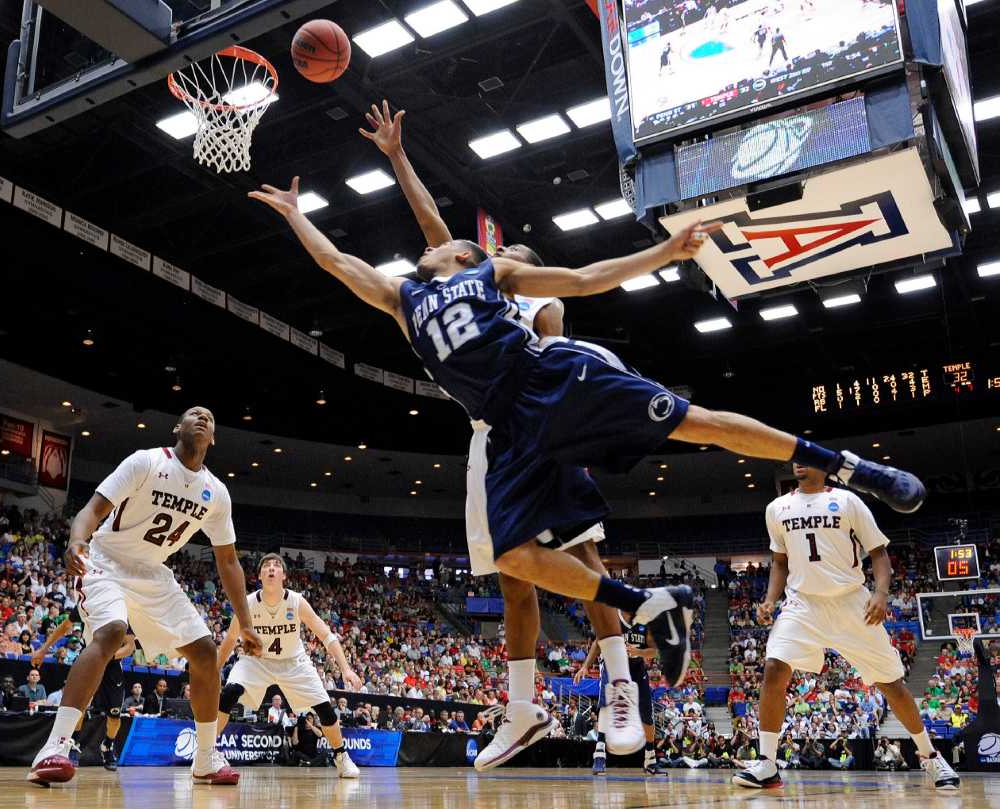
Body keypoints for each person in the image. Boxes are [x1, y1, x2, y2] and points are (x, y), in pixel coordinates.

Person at [250, 163, 926, 745]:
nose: (450, 239)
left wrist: (663, 254)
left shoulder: (496, 274)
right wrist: (299, 213)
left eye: (457, 241)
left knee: (695, 424)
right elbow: (339, 262)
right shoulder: (406, 297)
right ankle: (647, 604)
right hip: (508, 428)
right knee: (512, 558)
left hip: (553, 380)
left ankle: (850, 467)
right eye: (453, 239)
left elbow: (582, 277)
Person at [359, 102, 650, 766]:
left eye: (505, 254)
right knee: (510, 577)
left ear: (520, 265)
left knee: (584, 562)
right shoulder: (466, 285)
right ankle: (522, 709)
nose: (491, 255)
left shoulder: (537, 299)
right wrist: (398, 155)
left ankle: (621, 689)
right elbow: (432, 228)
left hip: (542, 421)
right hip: (485, 440)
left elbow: (554, 358)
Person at [27, 407, 263, 787]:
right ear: (178, 427)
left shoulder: (216, 492)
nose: (202, 417)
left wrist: (247, 624)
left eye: (210, 417)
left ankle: (204, 757)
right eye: (193, 413)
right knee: (111, 632)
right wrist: (76, 541)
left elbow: (228, 560)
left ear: (214, 438)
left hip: (153, 572)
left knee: (204, 652)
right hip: (106, 560)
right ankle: (53, 747)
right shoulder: (147, 462)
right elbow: (92, 509)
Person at [732, 463, 958, 791]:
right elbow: (779, 562)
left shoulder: (849, 501)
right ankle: (767, 764)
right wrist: (769, 599)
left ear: (824, 465)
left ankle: (929, 756)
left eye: (807, 454)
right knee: (773, 669)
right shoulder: (776, 508)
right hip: (802, 605)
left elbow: (879, 555)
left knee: (891, 685)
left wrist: (881, 593)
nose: (799, 460)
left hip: (852, 602)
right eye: (795, 454)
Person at [216, 553, 361, 779]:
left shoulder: (296, 601)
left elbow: (326, 634)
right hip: (257, 661)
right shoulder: (248, 603)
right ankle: (206, 752)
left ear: (284, 575)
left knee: (324, 708)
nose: (271, 568)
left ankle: (341, 756)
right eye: (266, 566)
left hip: (294, 662)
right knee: (229, 692)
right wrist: (215, 669)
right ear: (260, 575)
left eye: (276, 566)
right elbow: (229, 639)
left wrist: (346, 669)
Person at [32, 613, 136, 771]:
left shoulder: (121, 613)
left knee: (114, 716)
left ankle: (108, 745)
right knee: (79, 708)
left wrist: (108, 655)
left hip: (112, 666)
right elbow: (64, 626)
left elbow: (130, 647)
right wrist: (43, 649)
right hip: (90, 660)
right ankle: (73, 743)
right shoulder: (86, 602)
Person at [576, 613, 663, 776]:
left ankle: (650, 758)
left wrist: (639, 652)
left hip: (636, 667)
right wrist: (585, 666)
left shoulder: (645, 621)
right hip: (612, 663)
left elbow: (654, 651)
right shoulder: (611, 618)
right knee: (607, 703)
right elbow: (598, 642)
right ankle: (599, 754)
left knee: (646, 713)